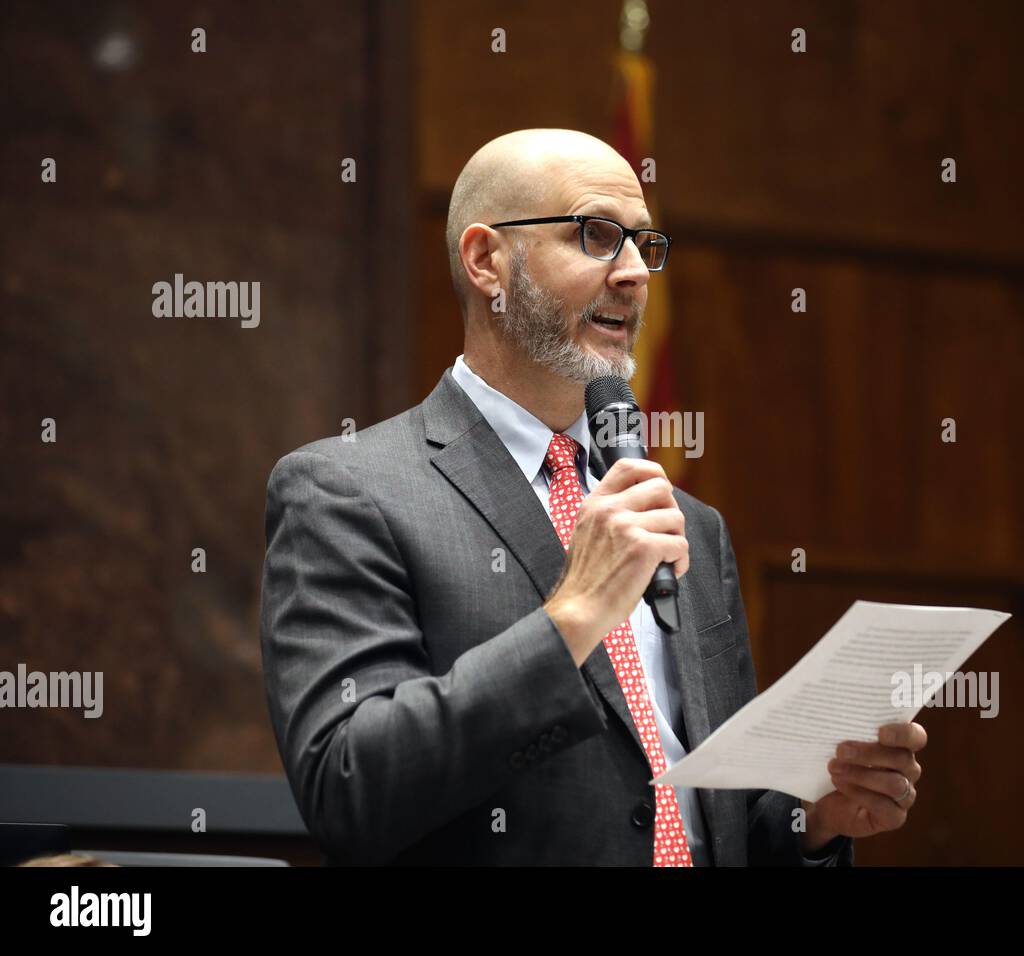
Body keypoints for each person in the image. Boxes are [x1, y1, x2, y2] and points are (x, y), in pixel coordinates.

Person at [259, 128, 925, 866]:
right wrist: (575, 614)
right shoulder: (349, 490)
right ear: (487, 261)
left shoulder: (689, 527)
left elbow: (723, 823)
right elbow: (348, 787)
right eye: (597, 235)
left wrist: (813, 817)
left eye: (645, 244)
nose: (637, 271)